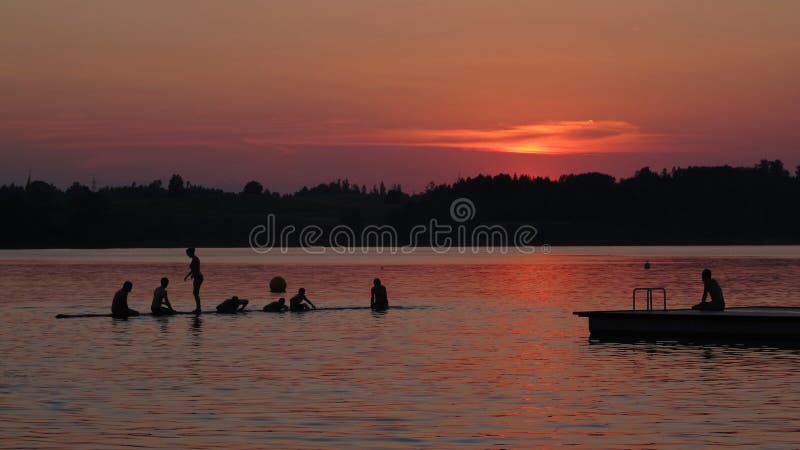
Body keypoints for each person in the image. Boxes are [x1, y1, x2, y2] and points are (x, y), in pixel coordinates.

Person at [184, 247, 203, 314]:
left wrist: (193, 275)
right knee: (195, 293)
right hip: (196, 277)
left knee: (195, 293)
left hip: (198, 277)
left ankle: (198, 308)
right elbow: (193, 270)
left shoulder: (195, 259)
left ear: (191, 253)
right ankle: (198, 308)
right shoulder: (194, 259)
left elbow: (196, 269)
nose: (187, 255)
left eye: (187, 253)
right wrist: (187, 276)